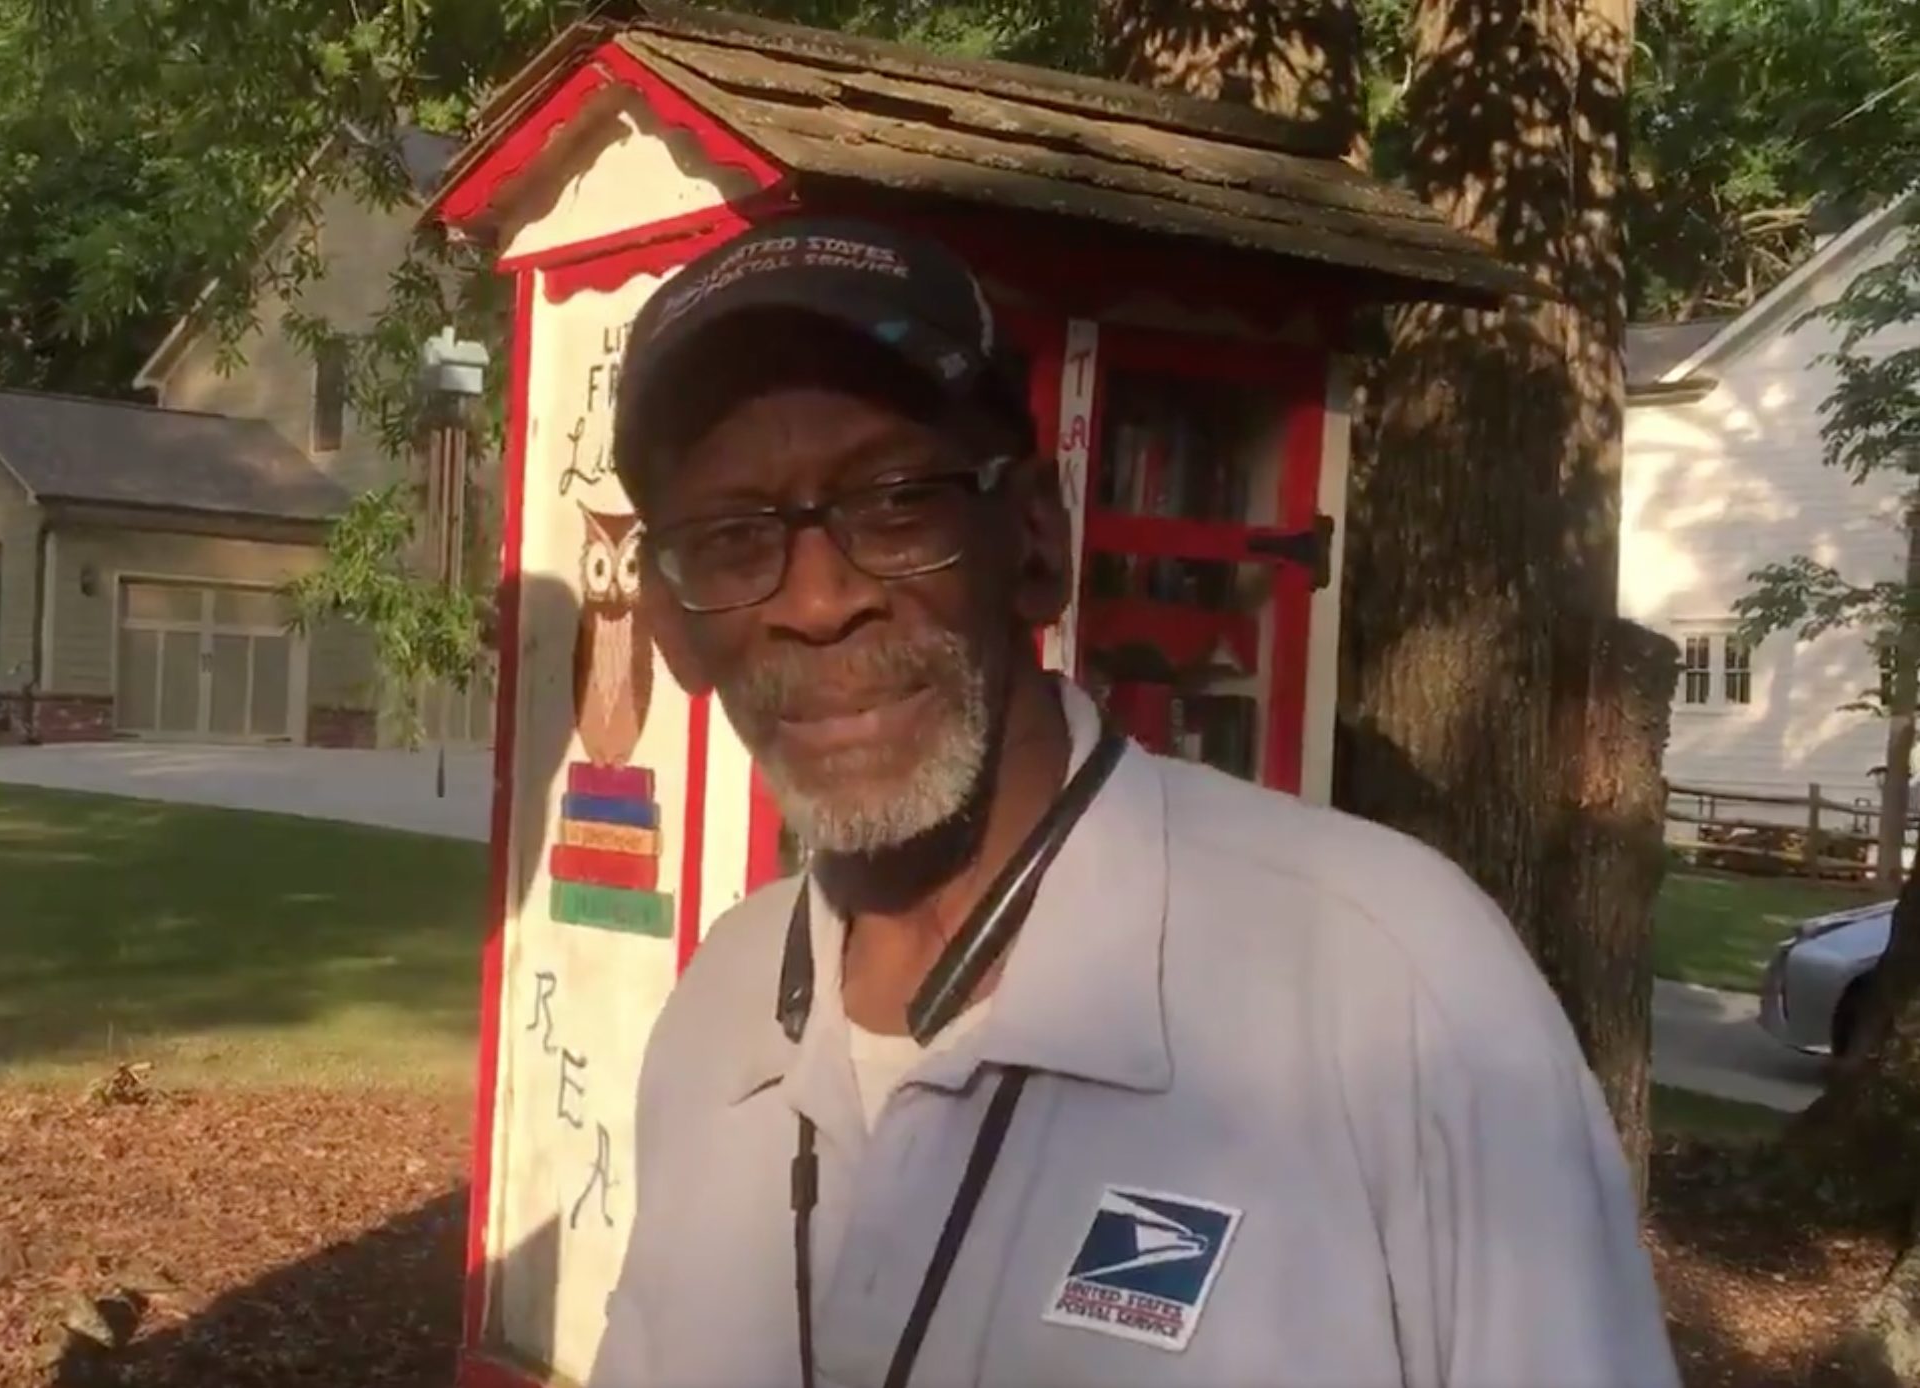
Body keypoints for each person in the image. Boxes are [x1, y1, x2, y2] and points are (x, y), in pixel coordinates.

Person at [585, 216, 1682, 1388]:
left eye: (896, 502)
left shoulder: (1392, 986)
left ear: (1039, 542)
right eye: (732, 538)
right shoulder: (717, 1014)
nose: (817, 599)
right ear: (672, 629)